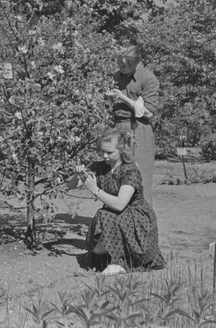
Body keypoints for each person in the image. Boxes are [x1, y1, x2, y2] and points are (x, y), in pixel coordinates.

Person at [68, 128, 165, 275]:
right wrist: (76, 175)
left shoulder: (130, 171)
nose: (105, 156)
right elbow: (70, 186)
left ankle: (119, 262)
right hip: (115, 215)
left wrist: (95, 190)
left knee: (106, 214)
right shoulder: (100, 167)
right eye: (102, 151)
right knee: (105, 216)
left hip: (136, 218)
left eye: (109, 152)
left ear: (121, 150)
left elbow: (120, 205)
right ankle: (110, 259)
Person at [106, 45, 159, 202]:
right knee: (118, 174)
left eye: (124, 65)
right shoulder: (117, 76)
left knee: (140, 176)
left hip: (138, 128)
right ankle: (122, 219)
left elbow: (148, 113)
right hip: (118, 127)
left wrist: (122, 98)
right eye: (119, 64)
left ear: (136, 63)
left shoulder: (148, 79)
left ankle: (144, 220)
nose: (121, 68)